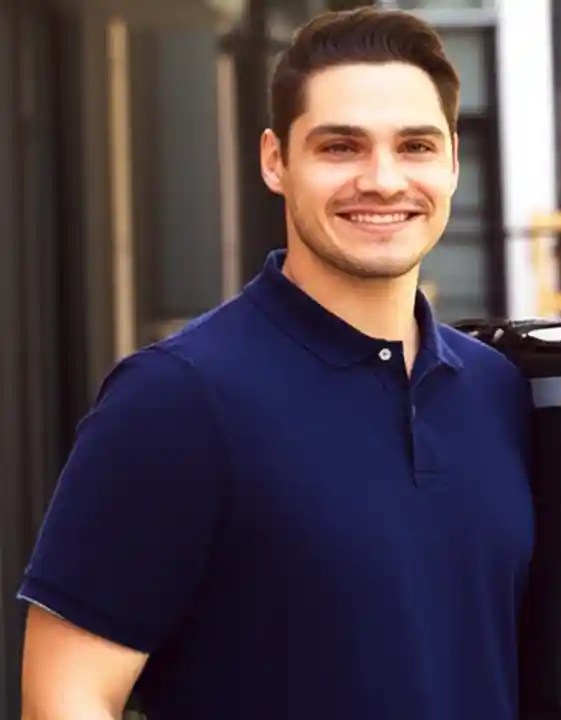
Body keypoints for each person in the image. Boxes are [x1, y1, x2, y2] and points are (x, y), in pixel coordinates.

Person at [18, 8, 534, 719]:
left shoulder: (499, 390)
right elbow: (67, 694)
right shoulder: (177, 398)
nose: (384, 180)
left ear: (452, 161)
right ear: (274, 161)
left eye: (414, 146)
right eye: (340, 147)